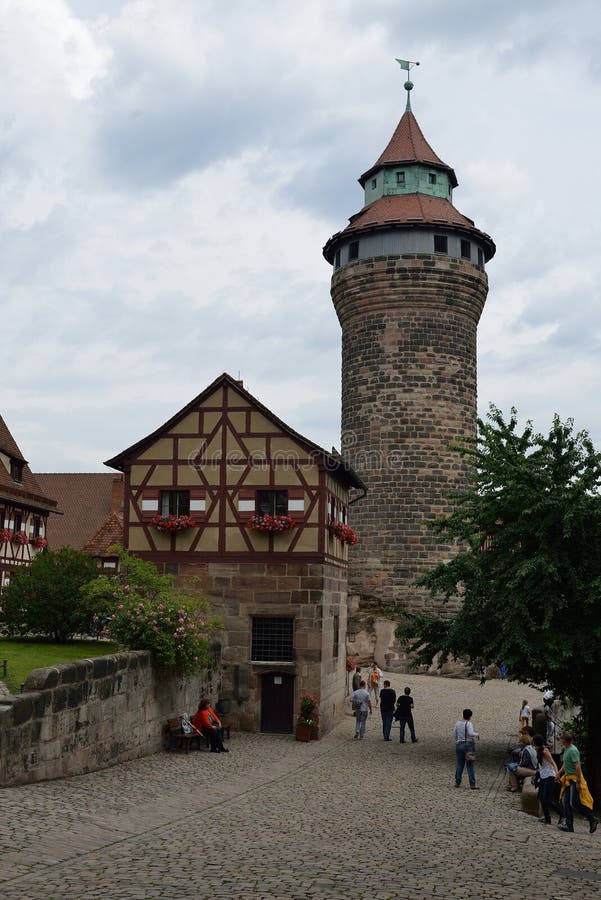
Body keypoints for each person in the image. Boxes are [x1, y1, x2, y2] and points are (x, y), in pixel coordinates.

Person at [555, 732, 598, 834]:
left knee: (573, 803)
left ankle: (592, 819)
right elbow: (566, 764)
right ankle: (569, 826)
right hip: (569, 779)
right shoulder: (567, 750)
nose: (561, 741)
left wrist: (578, 782)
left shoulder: (573, 750)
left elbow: (577, 767)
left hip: (575, 779)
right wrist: (559, 773)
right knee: (565, 802)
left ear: (565, 741)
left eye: (562, 740)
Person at [532, 733, 559, 824]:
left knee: (546, 799)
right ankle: (547, 818)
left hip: (550, 776)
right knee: (540, 797)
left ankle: (562, 814)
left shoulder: (544, 751)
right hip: (544, 776)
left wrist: (557, 774)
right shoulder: (538, 750)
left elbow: (553, 763)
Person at [453, 708, 479, 789]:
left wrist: (458, 740)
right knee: (470, 765)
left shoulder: (457, 723)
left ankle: (457, 782)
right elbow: (470, 733)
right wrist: (477, 734)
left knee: (460, 764)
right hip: (468, 745)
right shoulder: (469, 724)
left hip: (459, 744)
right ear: (470, 716)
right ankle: (472, 784)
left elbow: (454, 734)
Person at [505, 727, 537, 792]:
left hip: (531, 769)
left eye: (521, 742)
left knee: (512, 769)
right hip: (533, 768)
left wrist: (517, 765)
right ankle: (512, 784)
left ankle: (514, 787)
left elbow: (524, 763)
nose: (519, 744)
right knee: (513, 767)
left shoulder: (526, 750)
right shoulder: (530, 748)